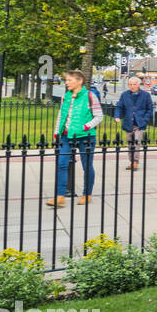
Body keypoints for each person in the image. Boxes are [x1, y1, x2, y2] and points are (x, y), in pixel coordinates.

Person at [47, 69, 102, 208]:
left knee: (87, 166)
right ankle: (60, 197)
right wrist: (56, 133)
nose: (67, 83)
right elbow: (61, 115)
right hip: (66, 136)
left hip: (86, 137)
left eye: (69, 80)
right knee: (62, 164)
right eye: (66, 80)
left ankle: (87, 194)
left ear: (79, 81)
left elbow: (99, 116)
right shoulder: (66, 96)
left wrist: (85, 127)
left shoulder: (90, 96)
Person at [114, 75, 154, 171]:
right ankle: (131, 161)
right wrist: (117, 116)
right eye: (130, 84)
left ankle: (135, 162)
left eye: (134, 84)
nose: (132, 86)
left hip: (140, 123)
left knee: (136, 141)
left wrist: (145, 120)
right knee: (130, 143)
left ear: (139, 84)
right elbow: (119, 107)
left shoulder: (146, 95)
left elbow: (150, 109)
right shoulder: (124, 95)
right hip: (128, 123)